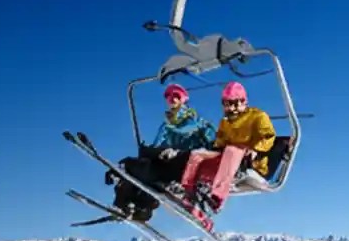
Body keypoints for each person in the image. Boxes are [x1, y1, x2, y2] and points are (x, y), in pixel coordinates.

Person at [110, 84, 216, 220]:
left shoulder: (197, 123)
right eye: (169, 97)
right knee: (144, 167)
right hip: (169, 164)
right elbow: (157, 146)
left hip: (187, 164)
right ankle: (130, 206)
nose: (173, 99)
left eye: (177, 96)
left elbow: (211, 143)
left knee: (154, 169)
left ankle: (139, 206)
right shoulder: (166, 127)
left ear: (184, 99)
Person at [177, 81, 276, 216]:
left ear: (244, 101)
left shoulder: (258, 116)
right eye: (227, 104)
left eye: (236, 103)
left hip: (250, 161)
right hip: (227, 160)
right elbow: (220, 143)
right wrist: (210, 149)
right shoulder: (225, 122)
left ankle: (217, 198)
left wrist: (254, 149)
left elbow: (268, 137)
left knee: (232, 149)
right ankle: (188, 190)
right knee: (197, 154)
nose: (232, 108)